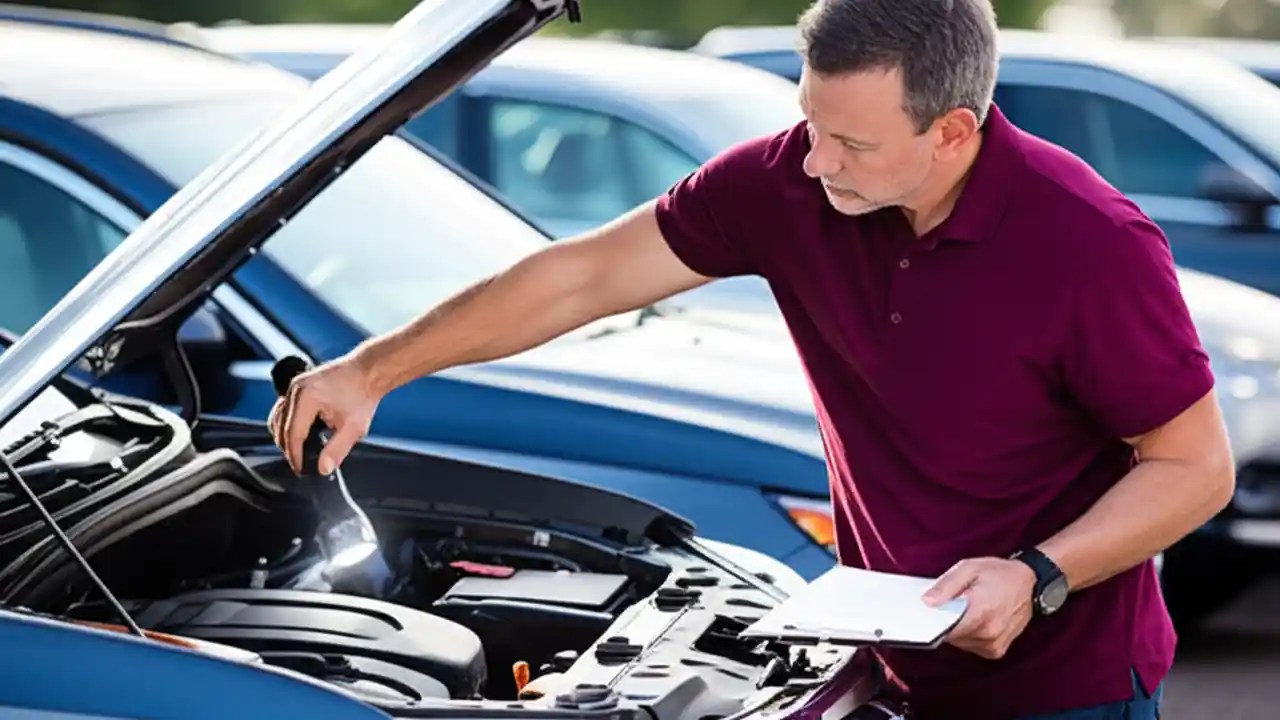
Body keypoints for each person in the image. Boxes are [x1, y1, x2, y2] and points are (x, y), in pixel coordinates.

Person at [268, 0, 1235, 717]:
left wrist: (1038, 573)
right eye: (812, 124)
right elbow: (581, 276)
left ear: (952, 133)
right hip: (881, 663)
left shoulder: (1089, 244)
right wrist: (374, 369)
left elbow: (1194, 467)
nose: (816, 161)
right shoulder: (786, 184)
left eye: (851, 143)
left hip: (1065, 689)